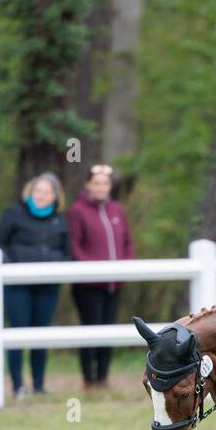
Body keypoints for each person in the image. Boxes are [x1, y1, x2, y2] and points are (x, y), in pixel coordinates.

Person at [0, 173, 70, 397]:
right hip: (18, 284)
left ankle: (38, 384)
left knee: (40, 335)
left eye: (47, 192)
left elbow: (67, 253)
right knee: (18, 333)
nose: (41, 196)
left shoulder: (60, 220)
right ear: (30, 192)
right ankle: (17, 385)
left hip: (47, 286)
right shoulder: (14, 214)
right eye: (38, 191)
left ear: (55, 196)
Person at [68, 163, 134, 389]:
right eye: (97, 183)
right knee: (91, 328)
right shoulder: (78, 210)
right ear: (88, 185)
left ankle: (103, 378)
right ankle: (88, 378)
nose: (101, 187)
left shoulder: (118, 210)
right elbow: (74, 246)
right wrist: (92, 270)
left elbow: (128, 242)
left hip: (114, 284)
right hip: (89, 285)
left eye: (105, 183)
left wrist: (125, 268)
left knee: (109, 329)